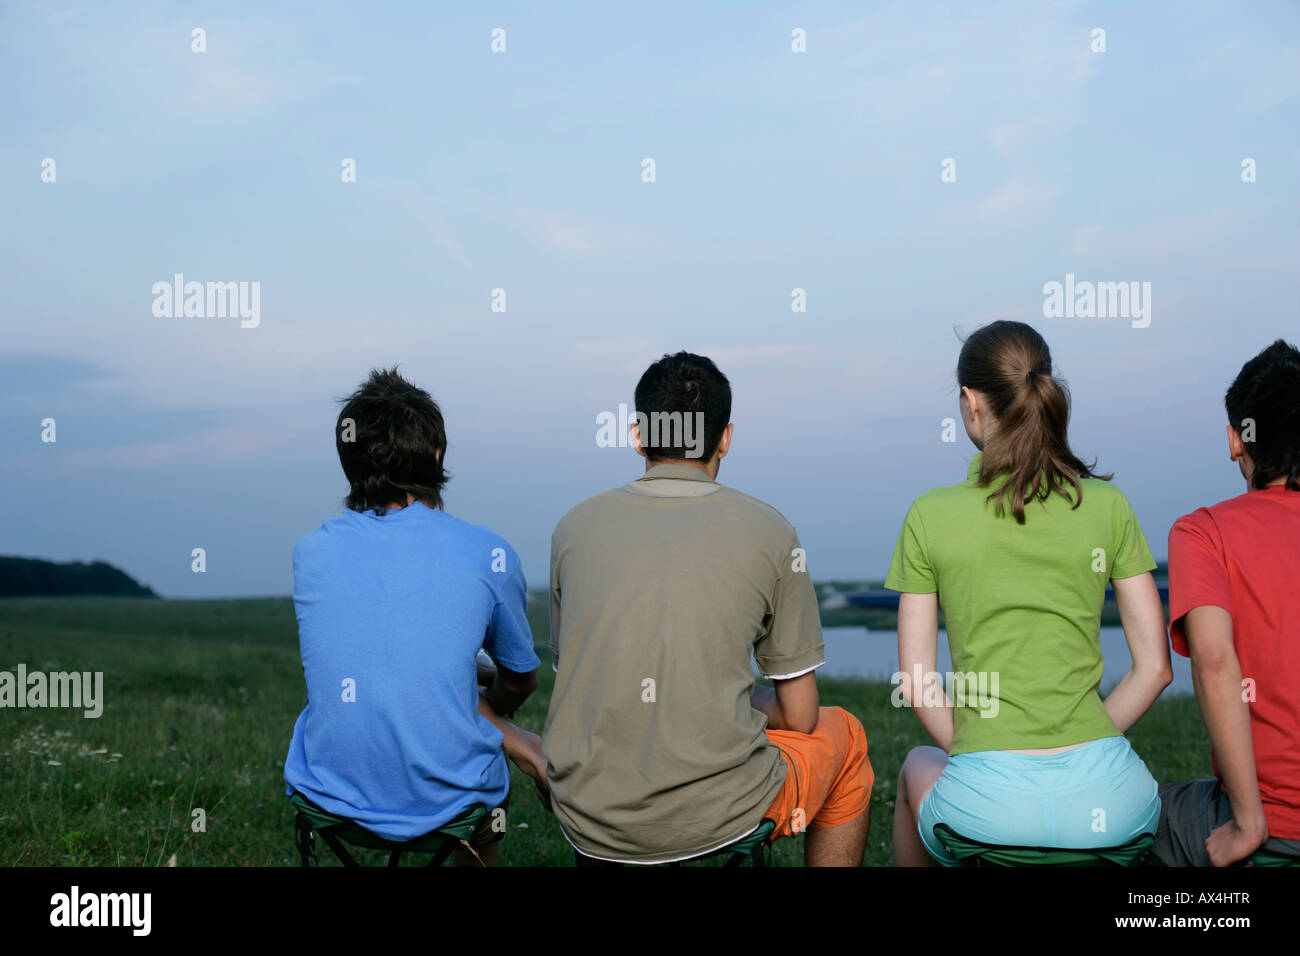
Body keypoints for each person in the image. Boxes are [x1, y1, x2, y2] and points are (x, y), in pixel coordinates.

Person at [542, 351, 873, 866]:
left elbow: (583, 679)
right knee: (846, 738)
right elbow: (801, 718)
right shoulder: (771, 531)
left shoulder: (572, 528)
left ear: (637, 435)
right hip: (720, 813)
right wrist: (739, 697)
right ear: (725, 437)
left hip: (589, 817)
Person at [886, 320, 1171, 866]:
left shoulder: (930, 514)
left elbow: (919, 682)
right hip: (1112, 801)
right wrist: (1081, 741)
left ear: (971, 402)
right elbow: (1155, 668)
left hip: (987, 808)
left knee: (915, 767)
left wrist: (981, 751)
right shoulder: (1108, 505)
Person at [283, 367, 546, 865]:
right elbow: (521, 680)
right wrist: (491, 705)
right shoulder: (487, 552)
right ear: (437, 455)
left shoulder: (311, 552)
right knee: (483, 781)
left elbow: (387, 657)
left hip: (325, 796)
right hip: (453, 808)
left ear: (349, 462)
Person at [1148, 339, 1300, 866]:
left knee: (1132, 820)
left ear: (1237, 440)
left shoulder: (1202, 532)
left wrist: (1248, 819)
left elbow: (1215, 663)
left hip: (1276, 822)